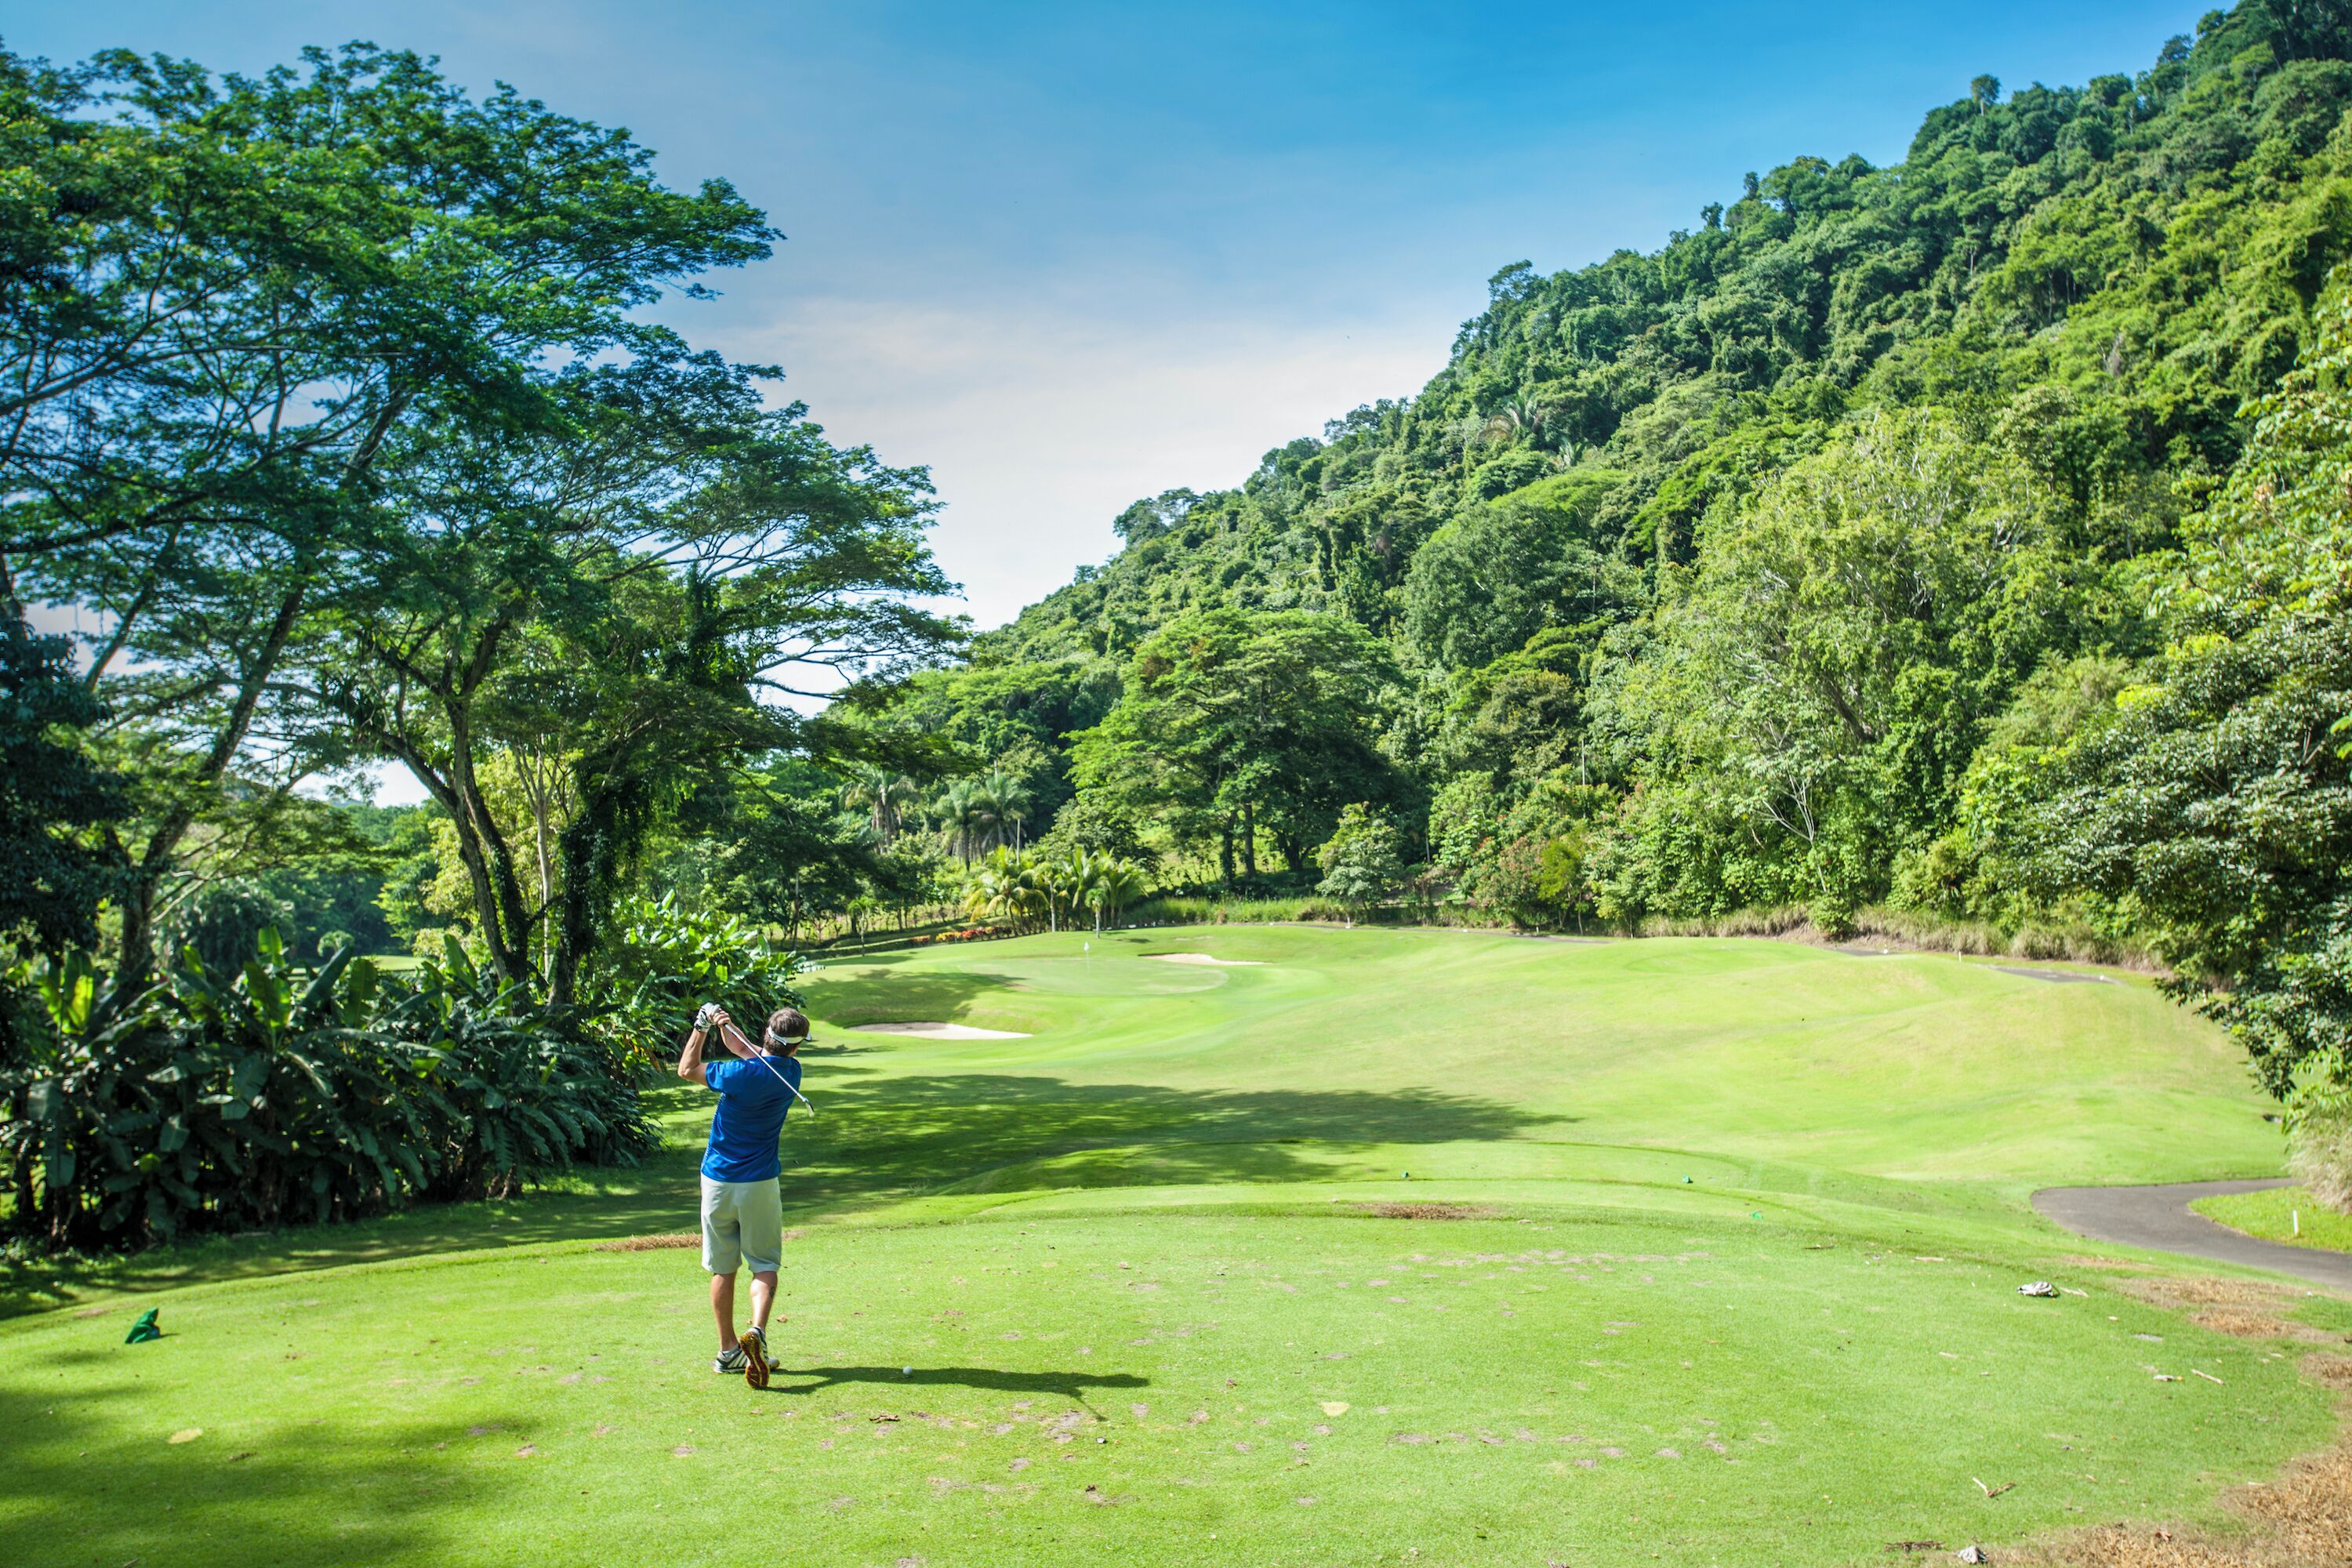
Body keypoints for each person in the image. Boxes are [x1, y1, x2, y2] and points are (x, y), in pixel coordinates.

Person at [677, 1004, 808, 1389]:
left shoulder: (734, 1073)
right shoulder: (790, 1074)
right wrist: (726, 1026)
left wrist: (702, 1026)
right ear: (796, 1047)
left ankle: (728, 1350)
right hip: (761, 1184)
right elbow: (750, 1053)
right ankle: (758, 1332)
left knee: (723, 1267)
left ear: (767, 1035)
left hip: (717, 1181)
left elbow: (686, 1069)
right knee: (764, 1264)